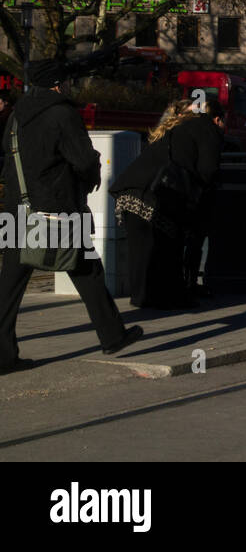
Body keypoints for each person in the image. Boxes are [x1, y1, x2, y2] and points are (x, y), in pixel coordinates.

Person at [0, 60, 142, 374]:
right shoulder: (63, 114)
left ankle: (3, 355)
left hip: (17, 209)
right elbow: (83, 159)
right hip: (57, 210)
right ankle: (113, 336)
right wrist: (91, 174)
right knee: (86, 270)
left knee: (9, 285)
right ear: (59, 84)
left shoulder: (16, 116)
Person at [111, 95, 223, 309]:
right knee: (168, 246)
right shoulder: (208, 129)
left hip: (131, 189)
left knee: (141, 249)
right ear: (217, 119)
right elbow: (208, 171)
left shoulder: (179, 126)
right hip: (158, 194)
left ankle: (142, 298)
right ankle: (172, 298)